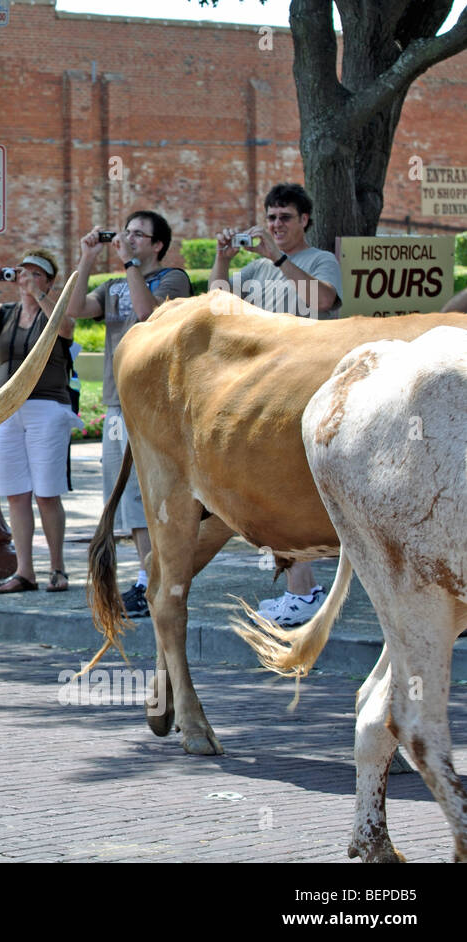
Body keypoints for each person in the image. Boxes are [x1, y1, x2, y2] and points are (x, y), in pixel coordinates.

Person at [211, 182, 343, 626]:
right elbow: (218, 306)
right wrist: (223, 260)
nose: (276, 225)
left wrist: (278, 258)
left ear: (304, 220)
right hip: (267, 391)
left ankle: (304, 591)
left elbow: (323, 300)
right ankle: (301, 590)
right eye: (270, 218)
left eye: (285, 217)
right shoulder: (254, 270)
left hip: (309, 385)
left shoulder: (319, 260)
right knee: (276, 490)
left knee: (295, 490)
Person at [67, 211, 191, 618]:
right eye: (127, 233)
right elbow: (74, 309)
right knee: (122, 498)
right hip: (118, 401)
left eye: (140, 235)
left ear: (158, 245)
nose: (130, 239)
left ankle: (151, 579)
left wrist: (129, 265)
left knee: (146, 493)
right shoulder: (113, 284)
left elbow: (147, 314)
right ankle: (145, 575)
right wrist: (87, 258)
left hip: (156, 402)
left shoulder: (173, 279)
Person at [0, 250, 79, 594]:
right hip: (5, 409)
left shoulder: (54, 310)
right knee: (15, 493)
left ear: (50, 281)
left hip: (47, 407)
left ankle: (57, 568)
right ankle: (24, 571)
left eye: (36, 274)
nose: (26, 279)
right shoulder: (4, 313)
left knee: (46, 492)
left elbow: (65, 327)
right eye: (22, 273)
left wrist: (39, 295)